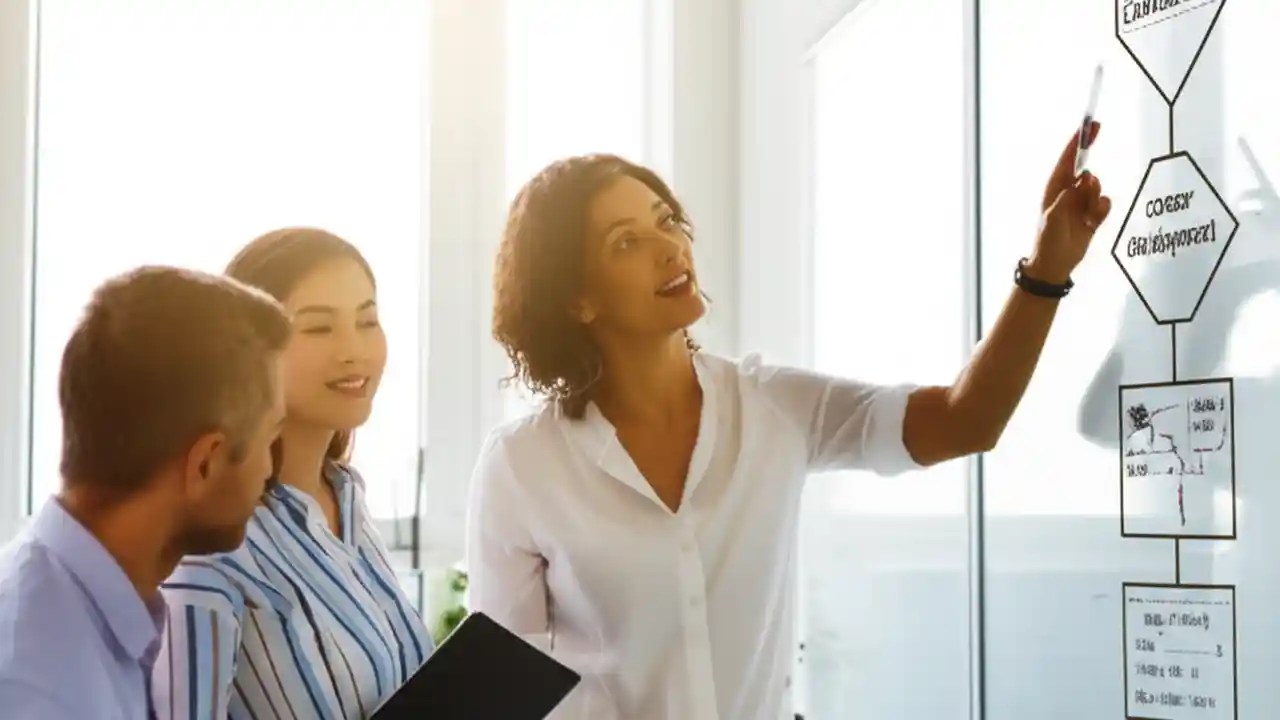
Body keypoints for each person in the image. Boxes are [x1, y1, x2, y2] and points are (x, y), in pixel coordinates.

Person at [467, 124, 1112, 719]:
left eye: (666, 221)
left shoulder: (771, 407)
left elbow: (965, 420)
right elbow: (498, 697)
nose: (668, 246)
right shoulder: (522, 467)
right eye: (627, 243)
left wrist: (1047, 269)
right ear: (576, 298)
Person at [154, 228, 433, 719]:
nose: (355, 350)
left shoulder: (346, 502)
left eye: (367, 321)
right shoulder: (210, 545)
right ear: (246, 351)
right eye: (319, 328)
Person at [0, 267, 290, 719]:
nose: (270, 470)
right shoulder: (38, 688)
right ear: (206, 464)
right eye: (268, 441)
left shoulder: (76, 613)